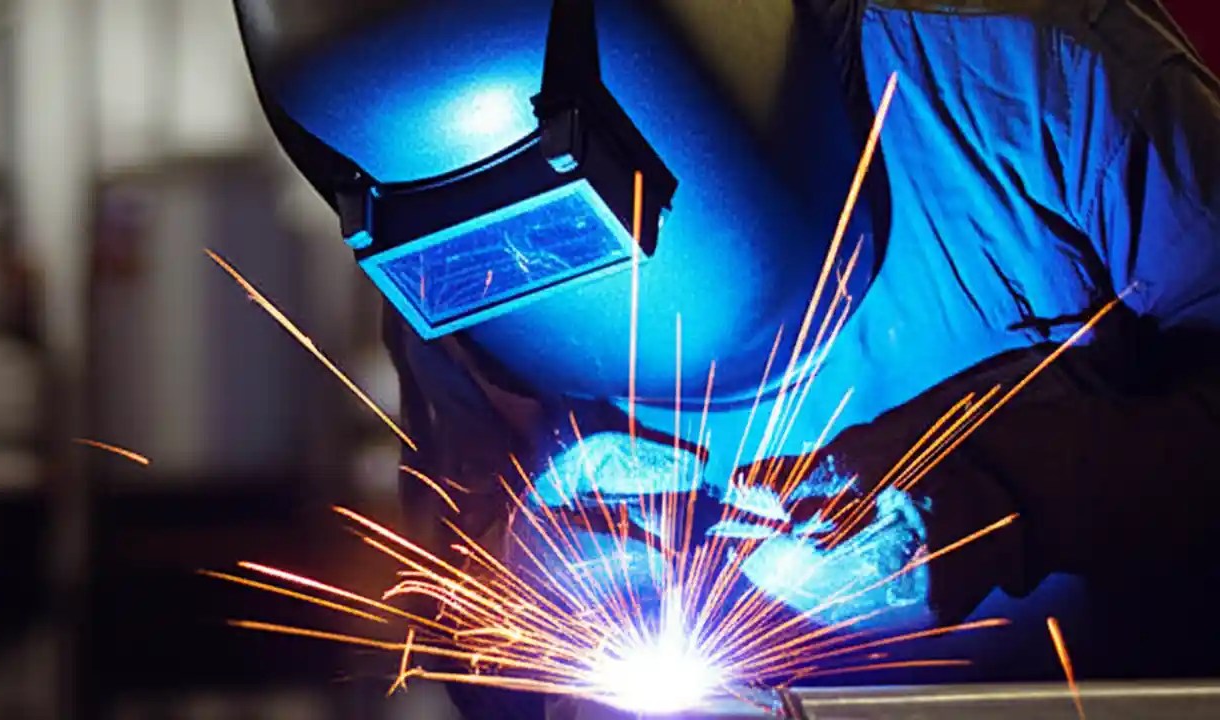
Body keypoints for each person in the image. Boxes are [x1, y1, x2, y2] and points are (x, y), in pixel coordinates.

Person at [233, 0, 1220, 713]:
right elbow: (463, 612)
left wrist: (994, 490)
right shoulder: (439, 245)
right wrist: (539, 590)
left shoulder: (1031, 80)